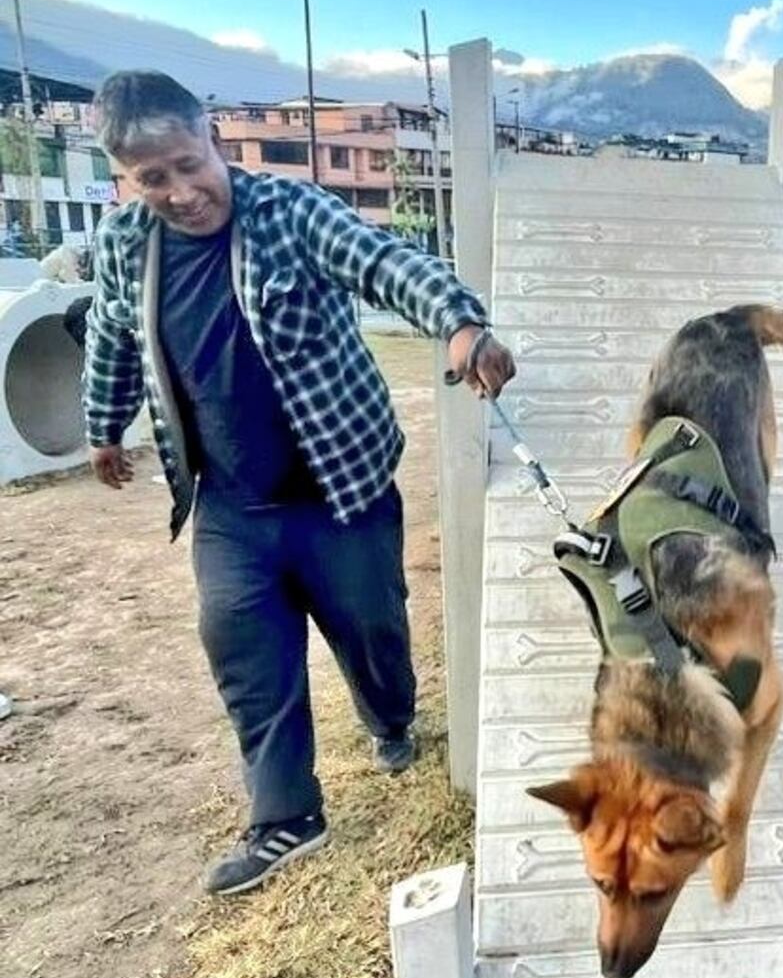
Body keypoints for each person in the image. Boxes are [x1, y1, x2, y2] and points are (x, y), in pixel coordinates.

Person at [82, 71, 515, 895]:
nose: (179, 192)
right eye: (153, 179)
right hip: (230, 502)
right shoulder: (122, 243)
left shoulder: (291, 212)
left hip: (341, 492)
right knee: (239, 639)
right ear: (125, 180)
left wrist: (459, 324)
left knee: (372, 632)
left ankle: (390, 719)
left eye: (185, 164)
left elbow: (386, 262)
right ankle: (286, 816)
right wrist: (103, 427)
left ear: (212, 135)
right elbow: (111, 333)